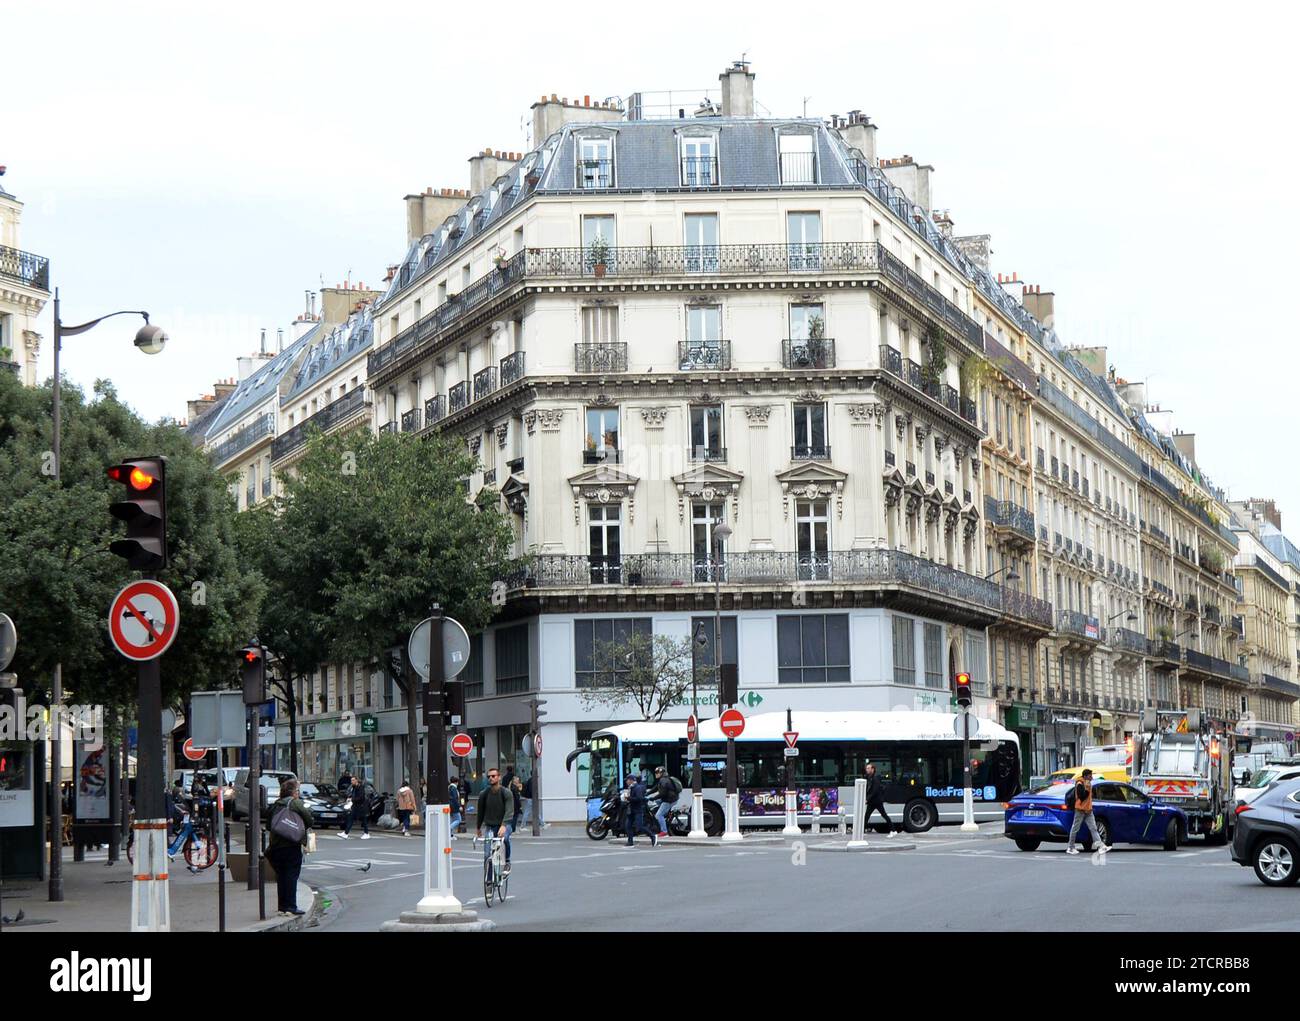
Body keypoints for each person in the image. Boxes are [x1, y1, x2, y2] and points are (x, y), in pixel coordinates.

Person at [266, 778, 313, 916]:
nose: (298, 793)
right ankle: (291, 906)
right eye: (297, 790)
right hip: (291, 845)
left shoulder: (276, 804)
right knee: (291, 875)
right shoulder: (295, 803)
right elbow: (309, 820)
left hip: (275, 846)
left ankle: (282, 906)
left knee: (281, 876)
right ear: (293, 792)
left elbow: (269, 825)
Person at [476, 767, 514, 874]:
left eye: (493, 776)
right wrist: (478, 827)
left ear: (499, 777)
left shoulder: (506, 793)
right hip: (490, 826)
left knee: (505, 838)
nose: (491, 778)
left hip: (504, 825)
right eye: (489, 777)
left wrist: (503, 825)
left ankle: (507, 862)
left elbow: (509, 811)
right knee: (487, 855)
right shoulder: (484, 794)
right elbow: (481, 811)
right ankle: (488, 881)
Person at [1066, 768, 1108, 856]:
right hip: (1080, 810)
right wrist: (1088, 788)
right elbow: (1082, 796)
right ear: (1085, 776)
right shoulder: (1080, 784)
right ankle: (1070, 847)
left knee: (1093, 828)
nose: (1091, 778)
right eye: (1090, 776)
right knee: (1075, 828)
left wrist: (1088, 787)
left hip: (1088, 810)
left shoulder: (1086, 783)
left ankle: (1100, 847)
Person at [862, 763, 897, 837]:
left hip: (876, 801)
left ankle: (893, 830)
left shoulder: (875, 778)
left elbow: (875, 791)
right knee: (867, 816)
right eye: (866, 768)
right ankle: (862, 832)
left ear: (872, 769)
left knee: (884, 815)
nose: (867, 769)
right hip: (873, 801)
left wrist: (867, 799)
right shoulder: (869, 777)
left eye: (868, 768)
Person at [623, 774, 657, 848]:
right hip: (631, 810)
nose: (626, 781)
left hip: (638, 810)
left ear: (631, 780)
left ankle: (652, 836)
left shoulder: (637, 788)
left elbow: (639, 799)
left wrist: (629, 798)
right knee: (628, 826)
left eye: (627, 780)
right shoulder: (631, 787)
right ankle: (630, 842)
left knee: (640, 827)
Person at [652, 766, 683, 837]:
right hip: (670, 798)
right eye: (655, 772)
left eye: (657, 773)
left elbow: (662, 794)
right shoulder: (663, 780)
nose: (656, 774)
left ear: (662, 773)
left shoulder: (664, 781)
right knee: (657, 801)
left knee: (658, 815)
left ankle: (664, 832)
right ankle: (665, 813)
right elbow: (655, 788)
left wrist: (652, 798)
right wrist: (647, 793)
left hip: (669, 800)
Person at [341, 775, 370, 839]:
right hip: (355, 806)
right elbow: (354, 795)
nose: (352, 781)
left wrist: (352, 799)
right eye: (351, 780)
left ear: (356, 780)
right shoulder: (354, 787)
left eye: (353, 780)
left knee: (363, 820)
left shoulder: (360, 787)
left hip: (361, 806)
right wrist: (350, 798)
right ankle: (346, 833)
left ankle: (366, 833)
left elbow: (361, 798)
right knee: (351, 818)